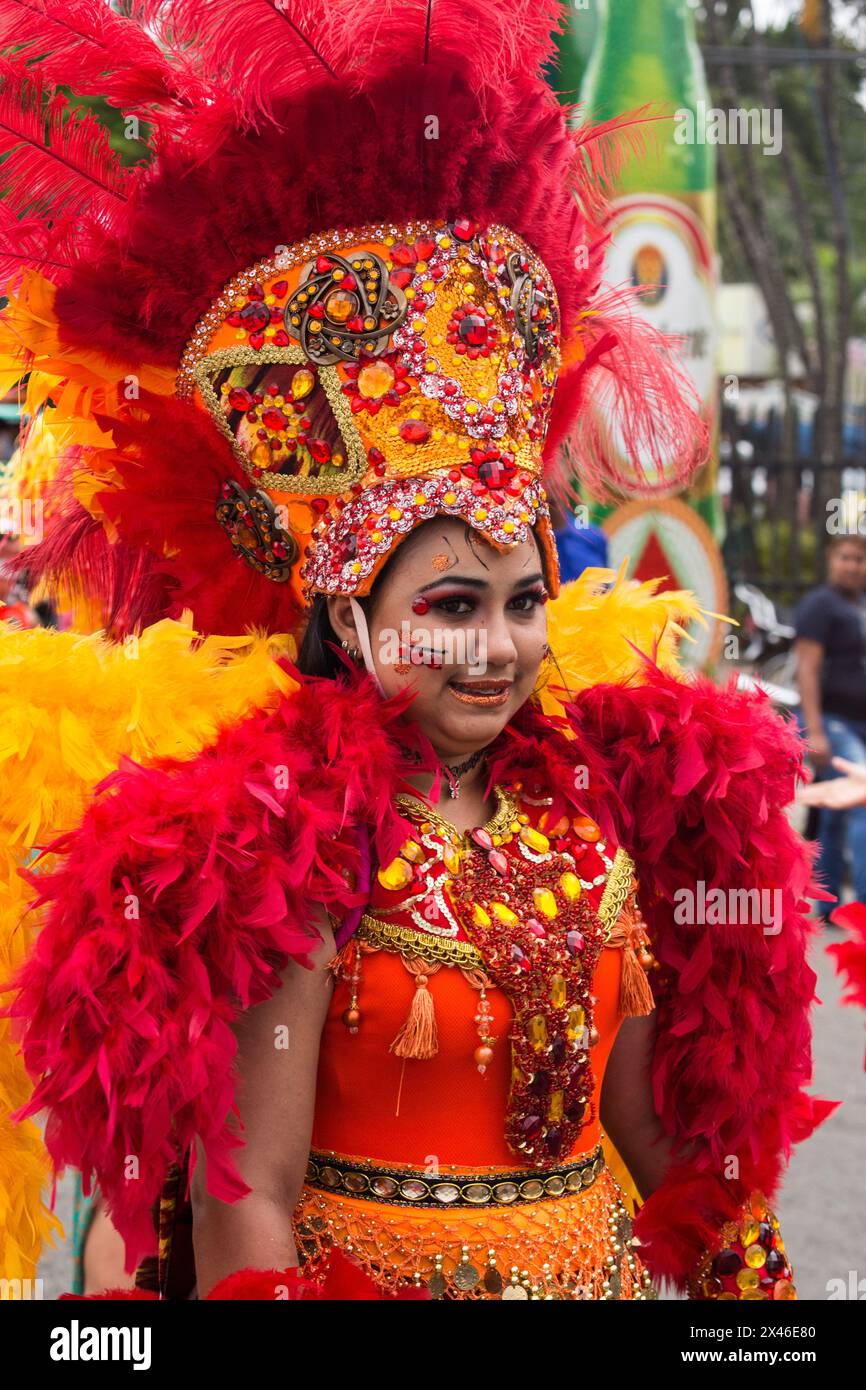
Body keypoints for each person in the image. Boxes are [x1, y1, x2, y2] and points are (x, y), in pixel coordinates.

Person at [0, 0, 830, 1303]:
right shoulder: (284, 853)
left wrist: (753, 1285)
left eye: (520, 599)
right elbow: (246, 1193)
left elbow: (655, 1128)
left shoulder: (590, 810)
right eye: (448, 608)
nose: (496, 646)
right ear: (346, 619)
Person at [795, 535, 866, 913]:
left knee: (834, 812)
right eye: (846, 558)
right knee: (861, 801)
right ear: (831, 560)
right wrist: (816, 730)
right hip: (833, 722)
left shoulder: (860, 606)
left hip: (860, 722)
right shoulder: (819, 606)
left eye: (860, 559)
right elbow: (807, 668)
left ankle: (831, 906)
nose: (853, 566)